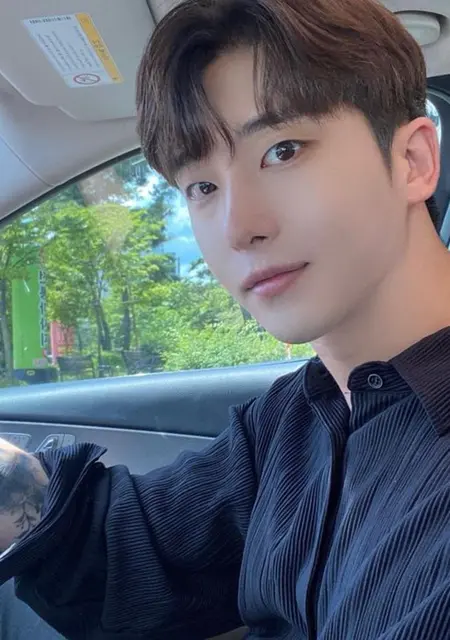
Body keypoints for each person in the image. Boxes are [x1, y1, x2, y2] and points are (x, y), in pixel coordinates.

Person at [0, 0, 449, 638]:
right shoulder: (296, 417)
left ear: (413, 161)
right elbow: (119, 550)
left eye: (282, 151)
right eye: (202, 187)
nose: (239, 228)